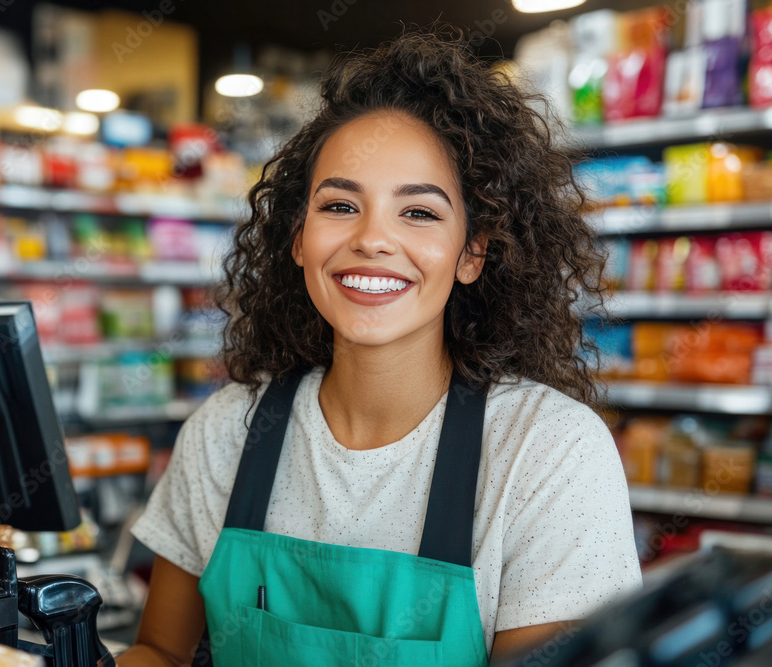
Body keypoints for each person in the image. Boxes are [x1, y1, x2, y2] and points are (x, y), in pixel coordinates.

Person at [118, 24, 641, 667]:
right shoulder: (228, 430)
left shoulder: (547, 455)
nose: (372, 240)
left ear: (473, 252)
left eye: (418, 213)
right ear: (298, 236)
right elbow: (158, 652)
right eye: (340, 206)